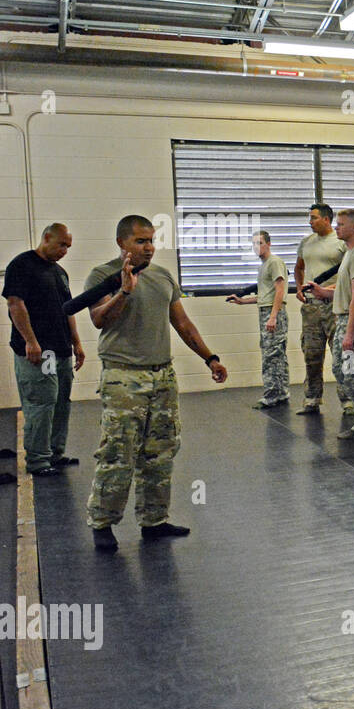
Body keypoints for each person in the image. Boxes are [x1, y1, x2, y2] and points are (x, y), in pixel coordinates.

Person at [84, 215, 229, 552]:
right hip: (124, 378)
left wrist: (210, 357)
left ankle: (154, 520)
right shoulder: (102, 275)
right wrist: (123, 291)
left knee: (160, 452)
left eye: (151, 240)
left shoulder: (163, 276)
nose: (148, 247)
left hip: (162, 376)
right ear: (122, 243)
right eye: (140, 241)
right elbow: (98, 319)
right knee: (118, 452)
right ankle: (103, 523)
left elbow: (183, 323)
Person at [3, 223, 85, 476]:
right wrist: (31, 341)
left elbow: (68, 309)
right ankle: (38, 461)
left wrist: (77, 343)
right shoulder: (22, 265)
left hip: (60, 350)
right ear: (47, 238)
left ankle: (55, 453)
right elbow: (15, 304)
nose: (65, 251)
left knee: (61, 402)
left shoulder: (59, 272)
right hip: (38, 353)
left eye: (68, 247)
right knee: (41, 403)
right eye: (62, 245)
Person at [306, 209, 354, 440]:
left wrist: (349, 334)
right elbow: (346, 292)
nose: (337, 227)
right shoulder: (350, 254)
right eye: (337, 224)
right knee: (344, 371)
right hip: (346, 320)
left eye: (341, 224)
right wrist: (322, 292)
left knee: (352, 373)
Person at [294, 203, 347, 416]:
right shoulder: (306, 243)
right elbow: (299, 268)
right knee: (312, 354)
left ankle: (349, 400)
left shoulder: (340, 243)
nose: (310, 222)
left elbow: (349, 275)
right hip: (311, 308)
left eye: (314, 218)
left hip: (335, 306)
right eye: (310, 218)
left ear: (326, 219)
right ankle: (312, 398)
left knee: (343, 355)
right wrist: (299, 288)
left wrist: (328, 290)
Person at [227, 230, 288, 409]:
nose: (257, 247)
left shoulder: (275, 262)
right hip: (266, 310)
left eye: (260, 243)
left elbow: (279, 291)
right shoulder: (263, 266)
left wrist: (273, 316)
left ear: (268, 243)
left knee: (271, 355)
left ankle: (271, 396)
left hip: (273, 313)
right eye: (254, 244)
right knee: (277, 355)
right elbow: (264, 295)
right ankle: (282, 393)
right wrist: (243, 301)